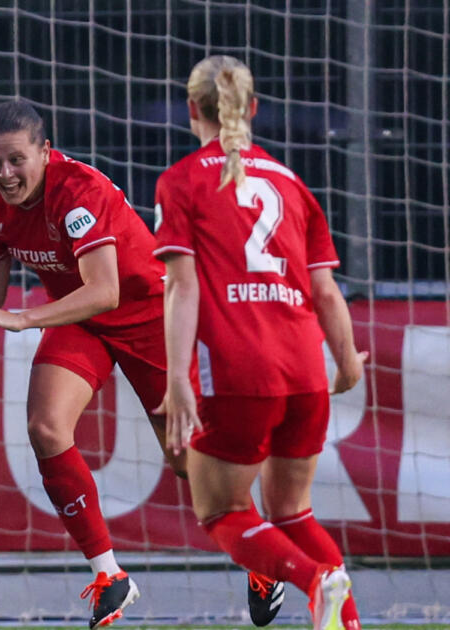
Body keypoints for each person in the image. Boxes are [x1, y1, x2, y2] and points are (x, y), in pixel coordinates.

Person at [0, 100, 187, 629]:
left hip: (145, 313)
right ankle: (110, 576)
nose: (4, 174)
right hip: (77, 317)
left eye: (16, 160)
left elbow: (107, 291)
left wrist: (22, 320)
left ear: (44, 152)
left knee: (186, 460)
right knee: (45, 428)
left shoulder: (78, 192)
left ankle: (257, 547)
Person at [153, 55, 365, 630]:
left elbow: (181, 287)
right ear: (252, 108)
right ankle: (346, 619)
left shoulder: (182, 181)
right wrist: (345, 362)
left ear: (191, 109)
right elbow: (325, 290)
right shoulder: (293, 183)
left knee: (222, 509)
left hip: (237, 370)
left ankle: (315, 580)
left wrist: (177, 380)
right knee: (294, 512)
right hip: (305, 369)